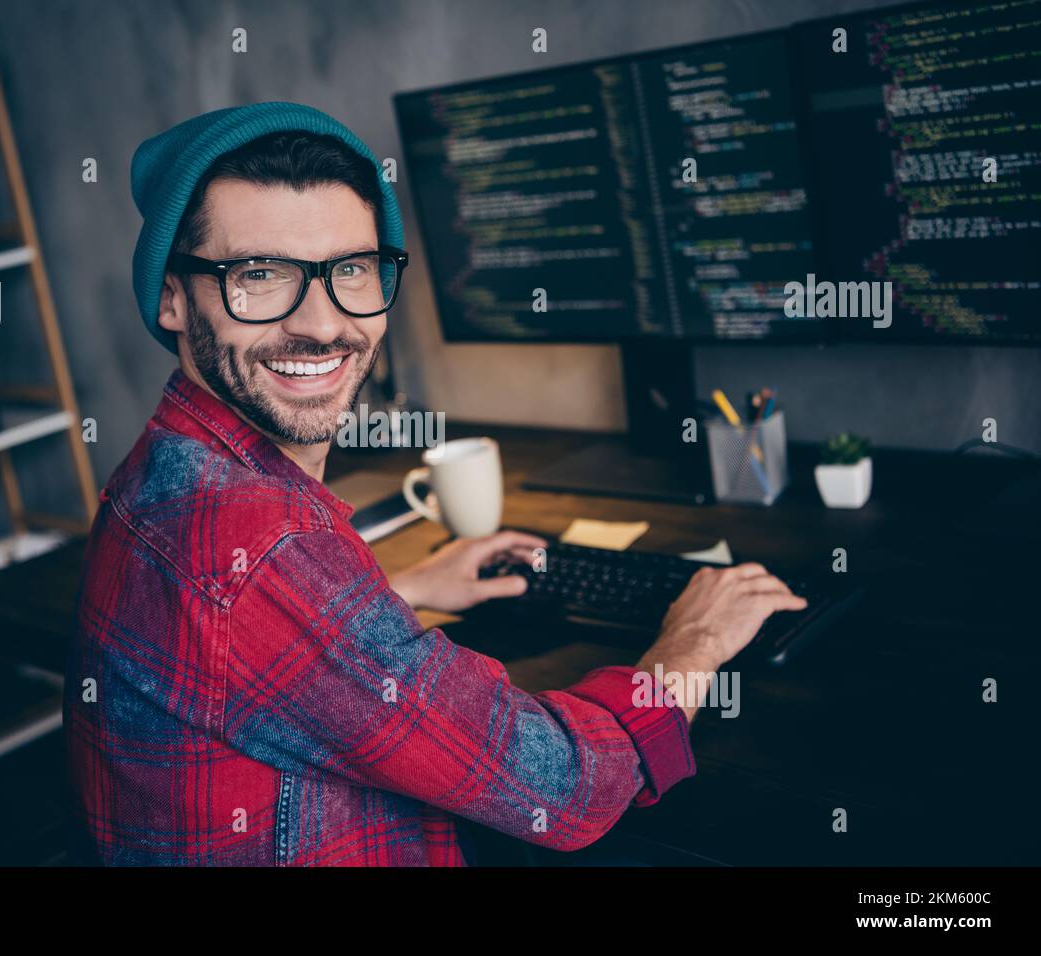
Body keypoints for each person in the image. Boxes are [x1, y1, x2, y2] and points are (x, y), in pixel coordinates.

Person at [65, 103, 806, 865]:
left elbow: (238, 632)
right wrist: (693, 642)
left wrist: (399, 589)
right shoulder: (268, 552)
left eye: (351, 270)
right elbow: (570, 791)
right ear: (172, 299)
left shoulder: (166, 469)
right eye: (260, 275)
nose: (323, 325)